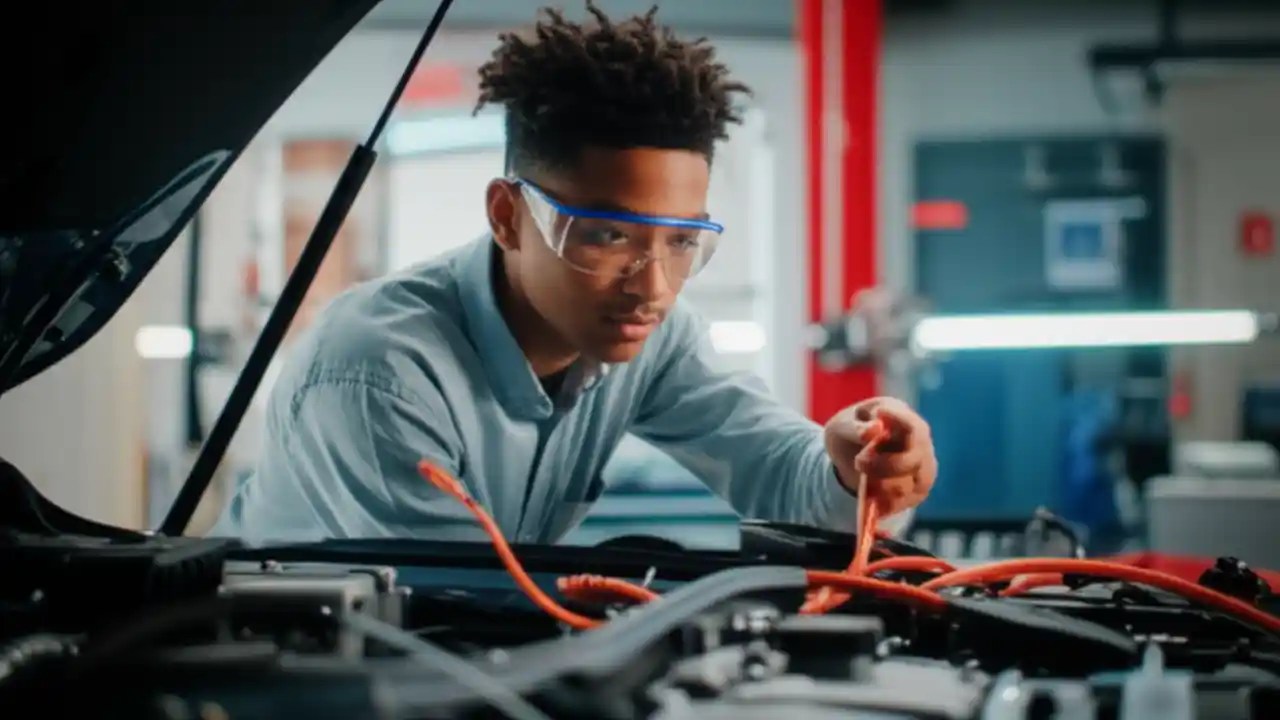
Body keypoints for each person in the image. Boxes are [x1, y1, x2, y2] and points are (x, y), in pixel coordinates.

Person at [210, 1, 938, 545]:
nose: (652, 286)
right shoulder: (377, 370)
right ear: (506, 216)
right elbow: (450, 605)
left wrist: (853, 467)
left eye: (683, 240)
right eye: (608, 234)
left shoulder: (654, 336)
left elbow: (785, 474)